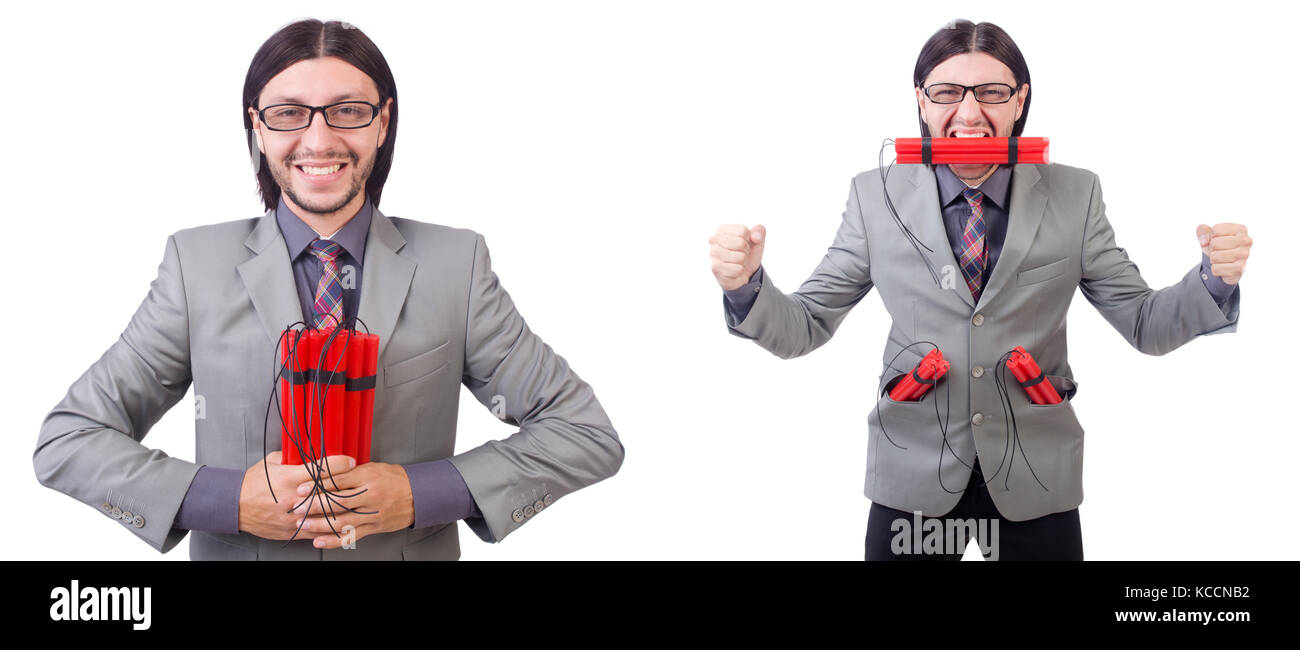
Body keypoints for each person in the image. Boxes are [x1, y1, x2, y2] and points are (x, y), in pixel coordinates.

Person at [34, 18, 624, 560]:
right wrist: (228, 498)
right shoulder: (196, 267)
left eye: (347, 111)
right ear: (257, 128)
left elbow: (583, 433)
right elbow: (70, 440)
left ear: (383, 123)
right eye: (290, 113)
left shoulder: (456, 265)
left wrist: (422, 492)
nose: (318, 140)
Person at [708, 19, 1249, 560]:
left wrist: (1213, 280)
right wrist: (745, 287)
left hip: (1036, 476)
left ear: (1020, 101)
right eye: (946, 93)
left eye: (991, 92)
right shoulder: (875, 197)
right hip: (913, 472)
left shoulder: (1076, 194)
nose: (969, 115)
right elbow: (804, 325)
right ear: (921, 101)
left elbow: (1145, 323)